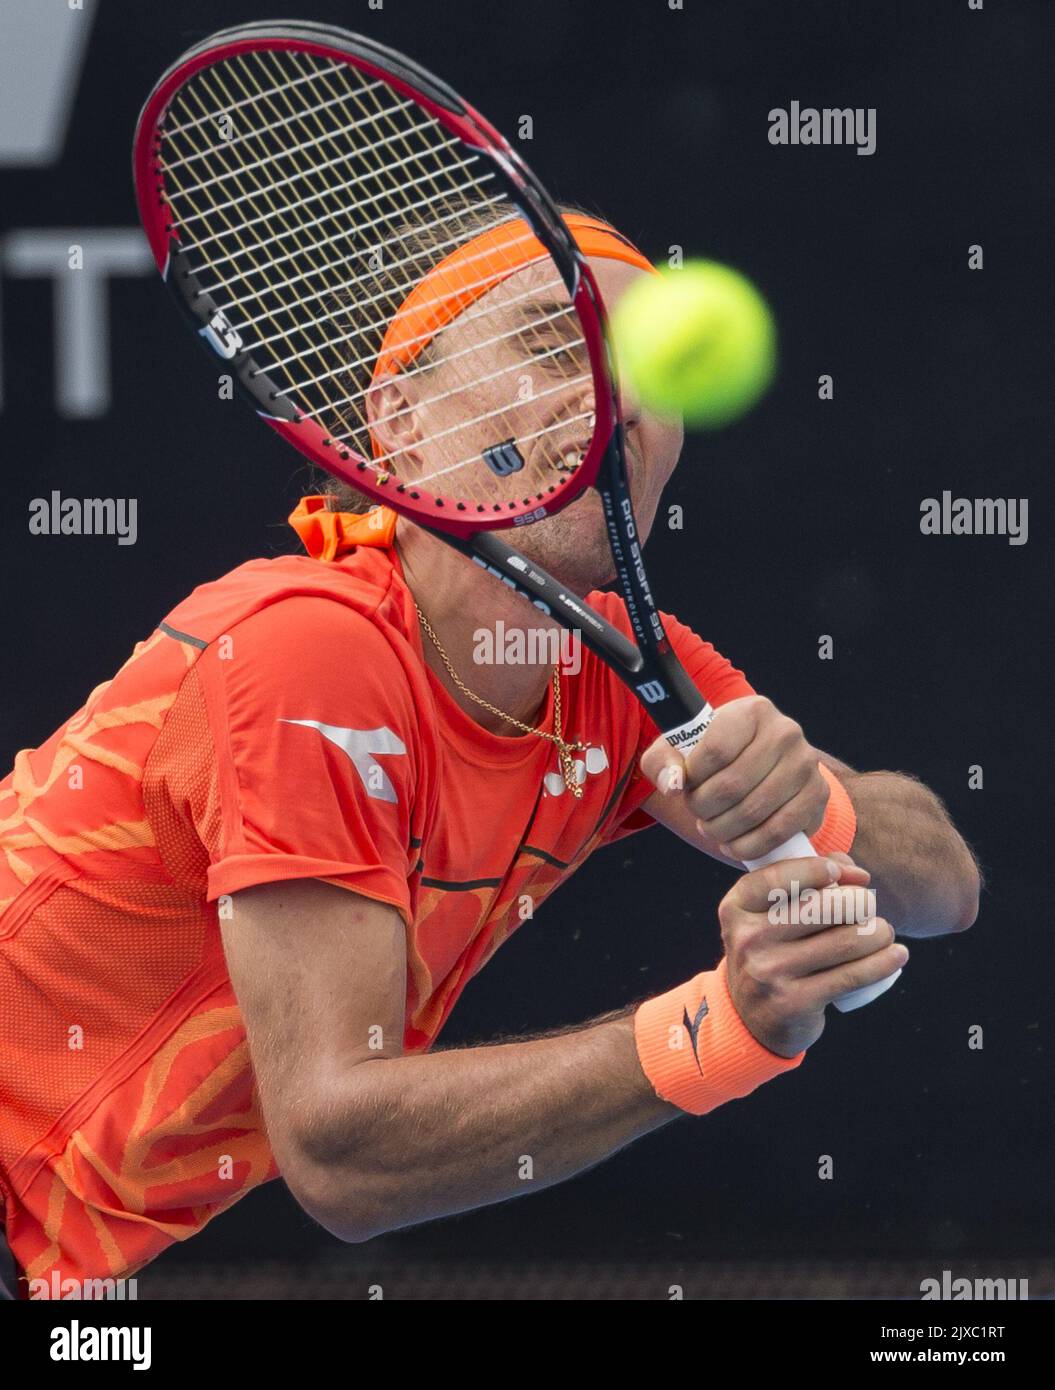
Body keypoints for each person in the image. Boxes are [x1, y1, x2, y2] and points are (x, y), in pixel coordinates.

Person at [0, 212, 979, 1293]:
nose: (609, 403)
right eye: (550, 345)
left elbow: (941, 887)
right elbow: (339, 1149)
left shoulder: (610, 673)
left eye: (645, 368)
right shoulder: (306, 650)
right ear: (397, 424)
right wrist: (720, 1028)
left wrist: (813, 804)